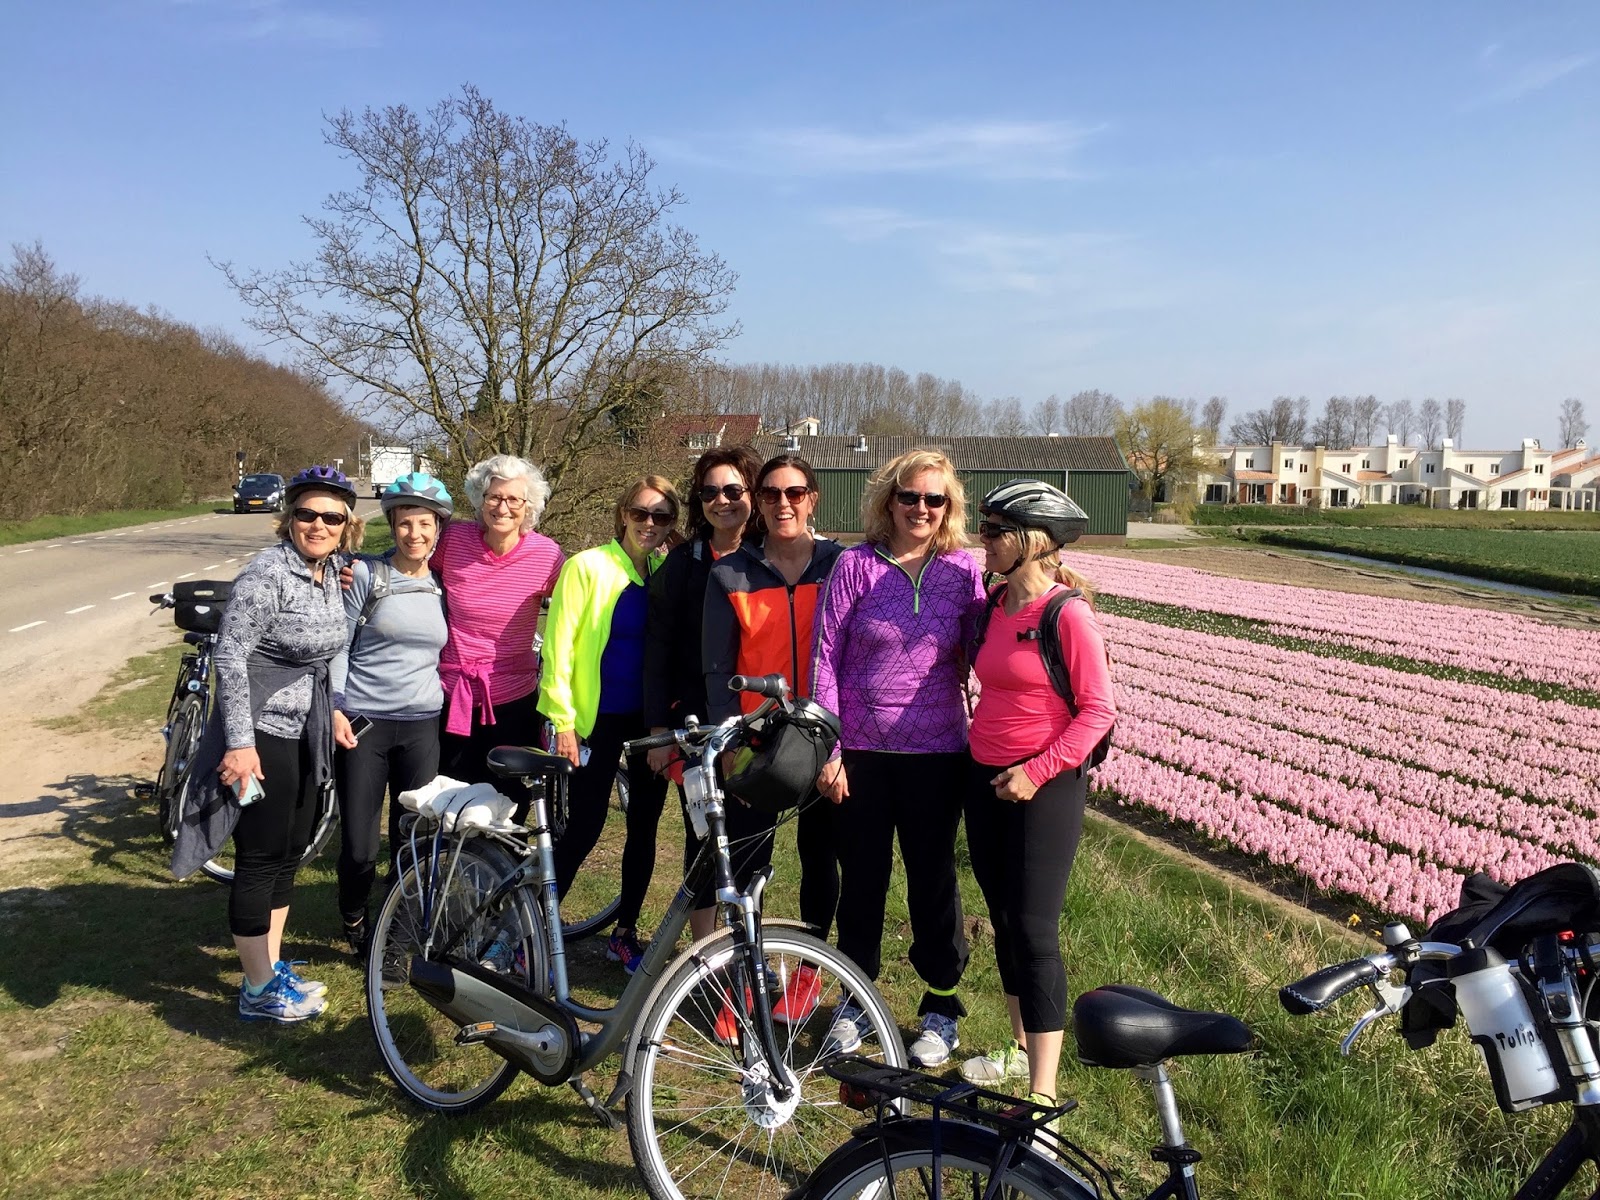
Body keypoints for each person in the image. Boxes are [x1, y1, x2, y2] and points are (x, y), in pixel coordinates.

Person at [810, 448, 986, 1065]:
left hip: (938, 753)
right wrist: (828, 749)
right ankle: (856, 999)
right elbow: (824, 658)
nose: (920, 508)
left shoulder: (963, 573)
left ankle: (940, 1005)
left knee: (932, 880)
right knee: (862, 880)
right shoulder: (855, 566)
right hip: (859, 753)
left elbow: (984, 647)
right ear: (889, 501)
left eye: (934, 499)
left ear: (948, 508)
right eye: (909, 496)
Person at [958, 480, 1117, 1113]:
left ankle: (1044, 1096)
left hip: (1043, 786)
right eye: (986, 529)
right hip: (984, 776)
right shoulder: (993, 606)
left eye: (996, 532)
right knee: (1001, 920)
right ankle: (1021, 1049)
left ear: (1034, 542)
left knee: (1034, 929)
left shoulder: (1066, 614)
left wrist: (1037, 770)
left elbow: (1098, 711)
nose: (984, 541)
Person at [213, 465, 363, 1022]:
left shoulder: (329, 573)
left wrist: (333, 712)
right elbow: (229, 658)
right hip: (261, 735)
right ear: (289, 517)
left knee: (289, 854)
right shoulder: (267, 574)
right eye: (307, 513)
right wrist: (238, 744)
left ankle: (269, 968)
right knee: (259, 857)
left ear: (347, 525)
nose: (318, 524)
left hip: (305, 731)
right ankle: (255, 990)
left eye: (331, 517)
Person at [702, 453, 841, 1024]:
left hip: (818, 735)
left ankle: (806, 977)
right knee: (748, 862)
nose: (783, 503)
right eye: (770, 494)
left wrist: (841, 747)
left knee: (820, 857)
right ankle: (745, 979)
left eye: (795, 492)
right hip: (756, 740)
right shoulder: (730, 572)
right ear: (757, 502)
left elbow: (855, 660)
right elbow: (716, 667)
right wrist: (729, 741)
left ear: (812, 499)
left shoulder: (841, 566)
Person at [537, 476, 678, 972]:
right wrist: (562, 720)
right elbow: (558, 647)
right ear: (622, 513)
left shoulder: (664, 570)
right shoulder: (586, 567)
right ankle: (534, 929)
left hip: (648, 722)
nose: (650, 524)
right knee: (583, 828)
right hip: (595, 721)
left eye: (662, 517)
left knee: (644, 827)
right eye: (641, 513)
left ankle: (625, 932)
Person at [641, 446, 763, 948]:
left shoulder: (767, 559)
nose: (722, 501)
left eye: (733, 490)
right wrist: (655, 731)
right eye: (710, 491)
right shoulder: (682, 564)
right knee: (703, 841)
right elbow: (658, 648)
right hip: (695, 726)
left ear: (751, 494)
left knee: (752, 846)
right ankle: (706, 956)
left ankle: (748, 955)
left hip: (755, 725)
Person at [328, 473, 453, 957]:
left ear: (437, 530)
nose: (414, 534)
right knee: (360, 846)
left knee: (414, 840)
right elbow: (338, 645)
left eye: (424, 524)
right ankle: (354, 915)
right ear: (393, 526)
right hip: (365, 722)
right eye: (405, 524)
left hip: (423, 723)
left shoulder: (443, 587)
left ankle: (398, 929)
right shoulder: (364, 576)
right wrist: (337, 708)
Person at [433, 454, 564, 812]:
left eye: (513, 499)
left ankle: (503, 868)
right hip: (452, 696)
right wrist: (361, 572)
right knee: (453, 797)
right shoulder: (454, 540)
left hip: (514, 700)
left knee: (511, 803)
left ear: (529, 506)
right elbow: (408, 568)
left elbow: (575, 611)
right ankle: (453, 866)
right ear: (480, 499)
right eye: (494, 496)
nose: (502, 507)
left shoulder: (548, 556)